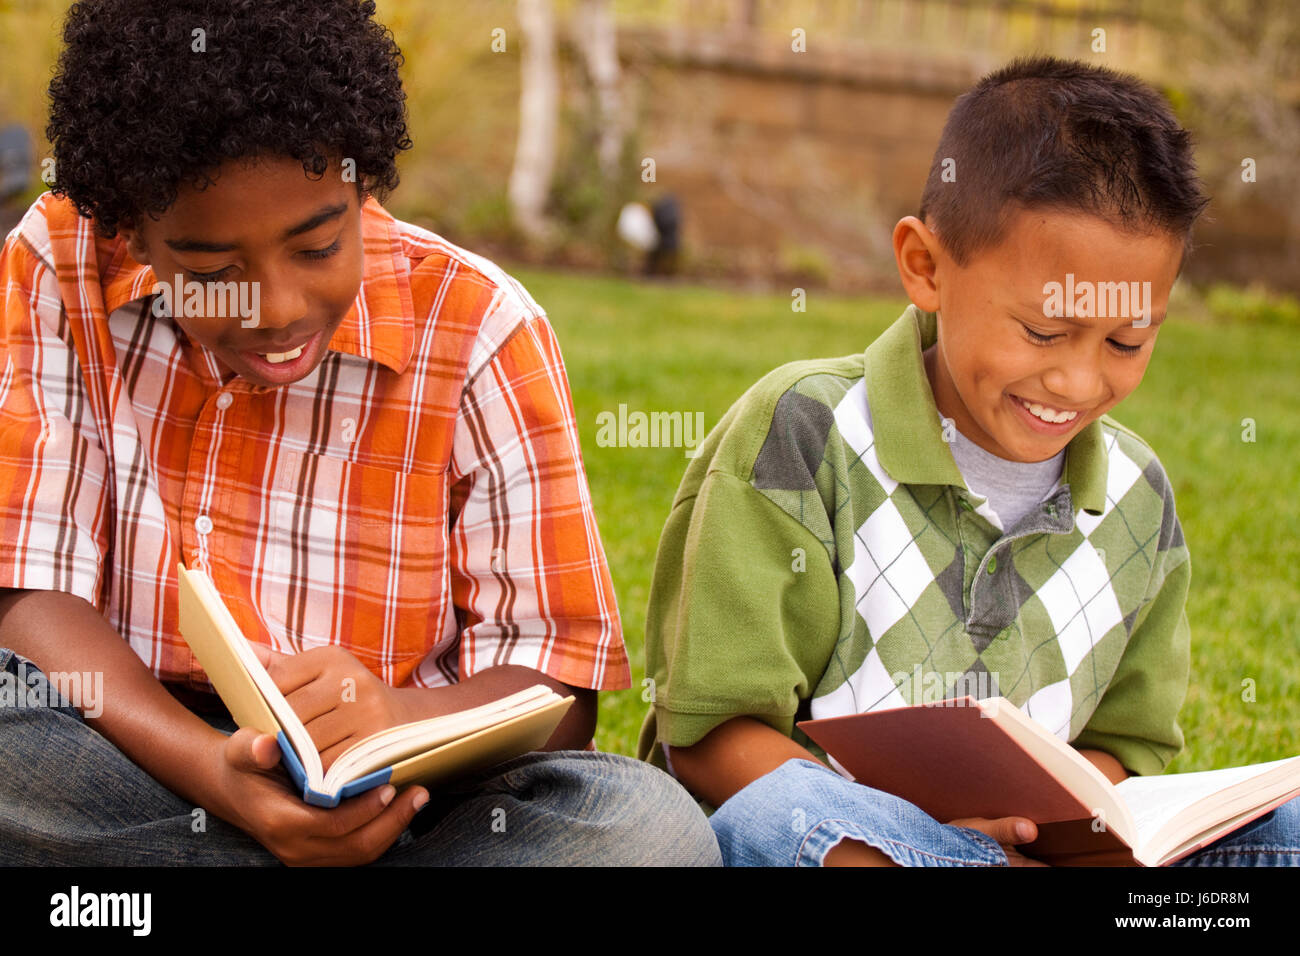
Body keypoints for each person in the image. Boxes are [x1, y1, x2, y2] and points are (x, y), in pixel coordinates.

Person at [0, 0, 719, 867]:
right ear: (132, 233)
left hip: (408, 801)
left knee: (644, 832)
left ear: (362, 185)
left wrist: (394, 715)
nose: (278, 310)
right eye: (212, 273)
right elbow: (29, 592)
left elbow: (557, 698)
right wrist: (215, 775)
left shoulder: (482, 329)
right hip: (139, 756)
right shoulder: (58, 258)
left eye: (316, 246)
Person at [636, 55, 1299, 866]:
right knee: (789, 811)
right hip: (831, 846)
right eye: (1044, 333)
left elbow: (1124, 747)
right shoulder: (805, 433)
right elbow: (710, 739)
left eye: (1128, 340)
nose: (1079, 380)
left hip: (1035, 854)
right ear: (926, 267)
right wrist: (931, 846)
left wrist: (1041, 831)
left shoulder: (1136, 496)